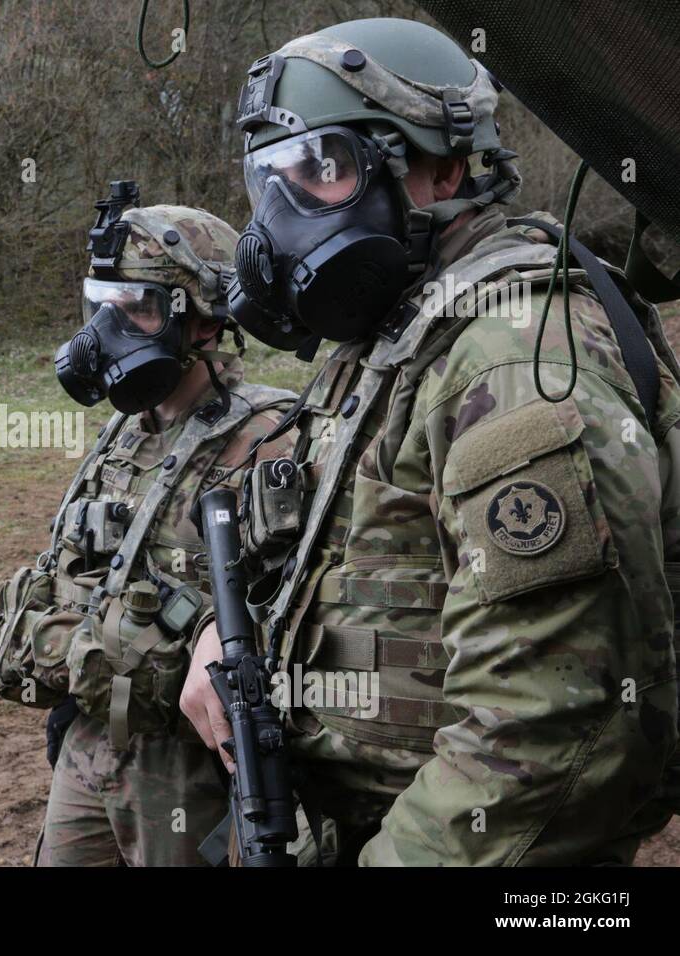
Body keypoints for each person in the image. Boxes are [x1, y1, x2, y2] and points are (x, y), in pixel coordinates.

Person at [179, 17, 680, 865]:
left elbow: (557, 736)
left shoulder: (514, 353)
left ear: (442, 165)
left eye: (318, 170)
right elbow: (351, 550)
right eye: (271, 180)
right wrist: (231, 638)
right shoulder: (395, 338)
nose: (278, 216)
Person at [0, 189, 297, 865]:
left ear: (205, 323)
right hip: (93, 741)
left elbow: (301, 605)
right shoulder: (125, 434)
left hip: (190, 769)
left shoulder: (270, 439)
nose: (110, 328)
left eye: (139, 308)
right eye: (104, 303)